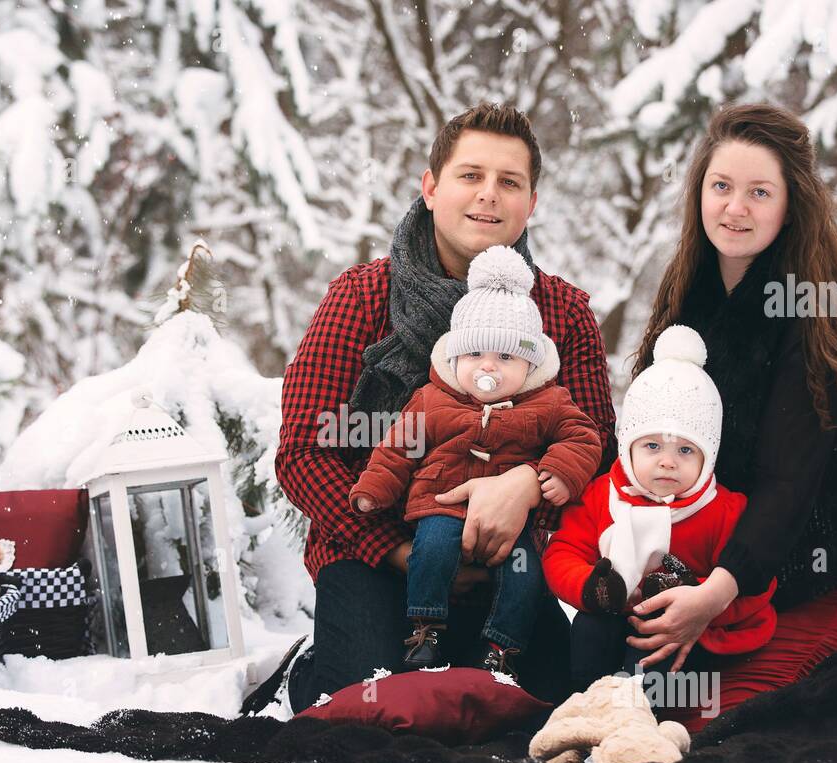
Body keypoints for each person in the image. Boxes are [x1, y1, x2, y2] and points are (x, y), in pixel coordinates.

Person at [242, 102, 616, 717]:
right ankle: (317, 665)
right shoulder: (362, 297)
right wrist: (401, 551)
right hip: (375, 556)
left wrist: (527, 487)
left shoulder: (563, 312)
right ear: (432, 186)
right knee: (369, 706)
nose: (488, 196)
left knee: (542, 706)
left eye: (509, 182)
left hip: (511, 557)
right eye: (471, 175)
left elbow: (596, 446)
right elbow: (304, 453)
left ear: (532, 203)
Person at [615, 103, 837, 733]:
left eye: (758, 192)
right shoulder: (687, 297)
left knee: (714, 725)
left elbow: (788, 485)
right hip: (718, 578)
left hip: (815, 577)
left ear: (790, 206)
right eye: (721, 187)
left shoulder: (816, 307)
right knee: (637, 706)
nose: (735, 208)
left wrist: (715, 594)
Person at [350, 245, 601, 678]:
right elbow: (396, 449)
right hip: (440, 504)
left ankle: (502, 646)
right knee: (431, 552)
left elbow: (584, 438)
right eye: (475, 356)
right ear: (455, 358)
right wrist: (374, 489)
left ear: (530, 363)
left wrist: (557, 471)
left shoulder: (549, 402)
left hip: (511, 524)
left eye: (506, 357)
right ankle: (426, 625)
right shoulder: (431, 399)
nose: (489, 367)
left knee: (525, 576)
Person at [541, 324, 776, 695]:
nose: (667, 462)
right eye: (652, 446)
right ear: (628, 448)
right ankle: (584, 702)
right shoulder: (603, 495)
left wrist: (697, 596)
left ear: (708, 456)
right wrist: (591, 588)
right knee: (590, 629)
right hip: (612, 615)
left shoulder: (723, 509)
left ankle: (644, 716)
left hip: (685, 632)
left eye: (685, 450)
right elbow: (563, 551)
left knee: (658, 654)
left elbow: (754, 586)